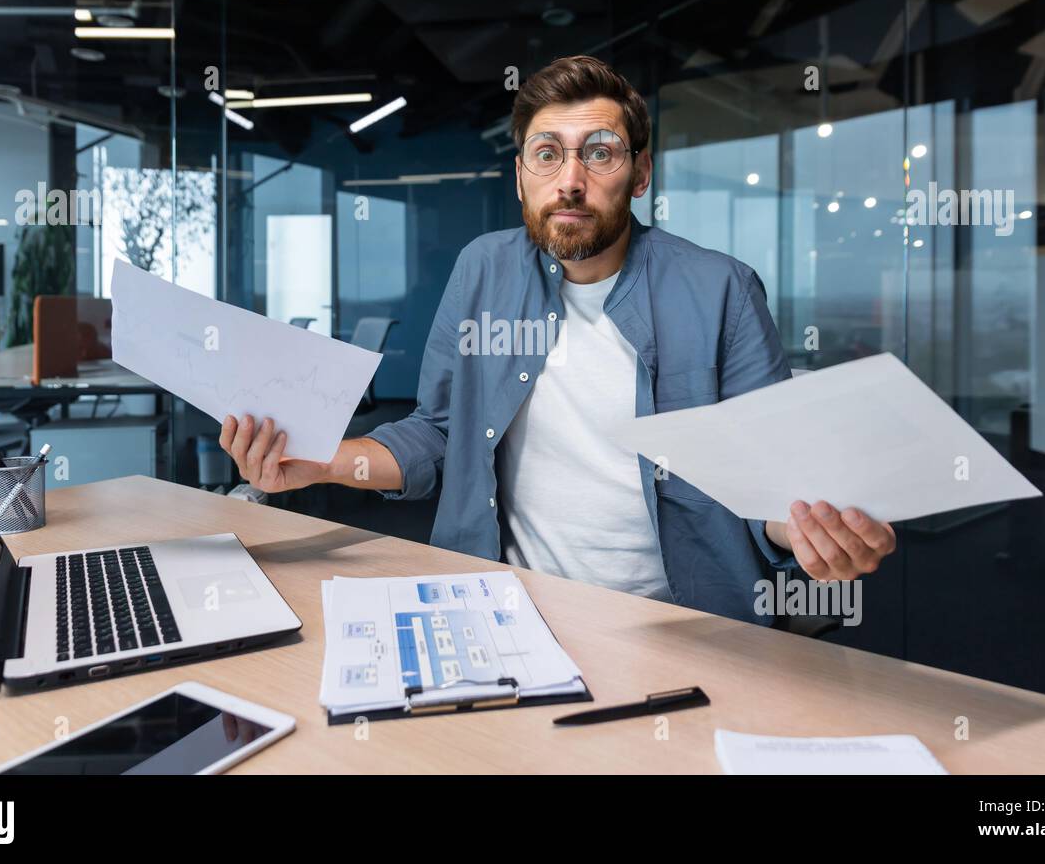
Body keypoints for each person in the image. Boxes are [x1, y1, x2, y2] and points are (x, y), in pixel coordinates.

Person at [219, 54, 894, 625]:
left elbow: (766, 481)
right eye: (548, 154)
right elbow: (440, 433)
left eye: (599, 153)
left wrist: (809, 533)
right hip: (503, 609)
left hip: (680, 626)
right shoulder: (483, 269)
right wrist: (323, 462)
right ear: (521, 175)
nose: (571, 179)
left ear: (640, 172)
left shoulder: (722, 289)